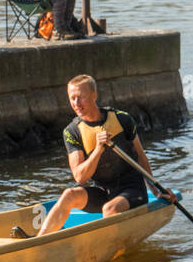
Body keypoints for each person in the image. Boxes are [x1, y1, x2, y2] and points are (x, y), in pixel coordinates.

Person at [37, 74, 163, 236]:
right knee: (69, 195)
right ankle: (40, 239)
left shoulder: (122, 119)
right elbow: (80, 177)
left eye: (81, 98)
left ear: (94, 96)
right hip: (103, 191)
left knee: (109, 209)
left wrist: (157, 190)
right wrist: (98, 150)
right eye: (72, 98)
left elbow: (141, 157)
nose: (76, 104)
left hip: (132, 189)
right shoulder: (72, 131)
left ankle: (110, 250)